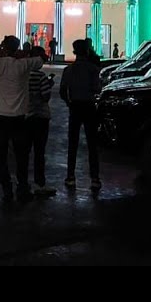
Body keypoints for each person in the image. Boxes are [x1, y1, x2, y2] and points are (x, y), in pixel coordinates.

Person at [0, 35, 44, 204]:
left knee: (1, 155)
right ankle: (22, 187)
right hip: (19, 116)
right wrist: (24, 53)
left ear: (4, 47)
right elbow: (42, 58)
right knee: (22, 155)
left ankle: (7, 189)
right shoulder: (24, 64)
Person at [60, 39, 103, 191]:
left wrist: (69, 102)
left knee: (73, 143)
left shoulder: (69, 70)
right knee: (92, 144)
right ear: (87, 51)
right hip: (89, 106)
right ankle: (95, 178)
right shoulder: (93, 69)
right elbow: (97, 89)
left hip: (75, 107)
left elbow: (62, 91)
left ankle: (70, 176)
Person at [26, 46, 57, 196]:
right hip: (40, 117)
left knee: (24, 152)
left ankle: (23, 182)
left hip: (25, 116)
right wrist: (48, 85)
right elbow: (45, 96)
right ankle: (39, 183)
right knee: (39, 152)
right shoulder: (41, 77)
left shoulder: (22, 75)